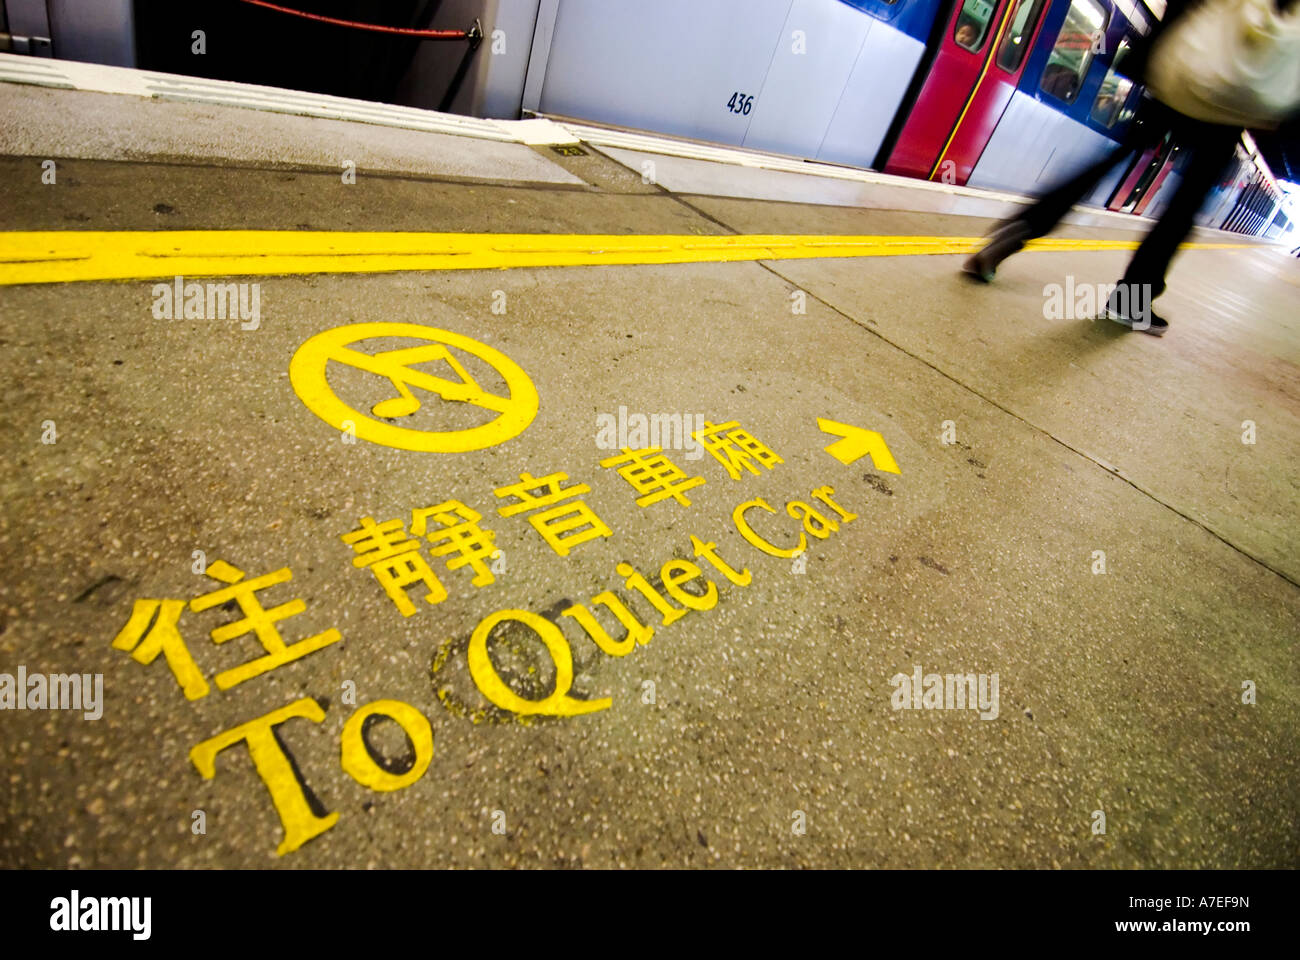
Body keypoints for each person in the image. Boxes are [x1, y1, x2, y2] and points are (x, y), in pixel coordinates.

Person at [962, 0, 1289, 336]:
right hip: (1228, 110)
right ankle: (1130, 302)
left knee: (1106, 161)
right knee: (1181, 210)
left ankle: (1023, 228)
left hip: (1179, 77)